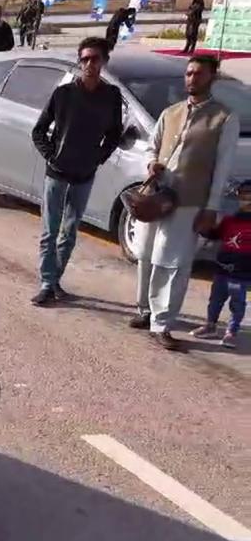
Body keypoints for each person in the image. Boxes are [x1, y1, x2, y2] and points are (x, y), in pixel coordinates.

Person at [131, 55, 241, 350]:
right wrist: (152, 163)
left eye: (199, 74)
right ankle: (145, 311)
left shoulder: (224, 118)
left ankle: (162, 323)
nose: (192, 79)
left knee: (172, 262)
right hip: (156, 198)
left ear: (212, 78)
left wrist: (211, 208)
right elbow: (151, 148)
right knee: (145, 255)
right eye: (189, 73)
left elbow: (222, 168)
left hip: (189, 202)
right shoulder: (171, 112)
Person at [29, 37, 122, 307]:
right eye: (85, 59)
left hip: (85, 175)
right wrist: (51, 156)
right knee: (50, 230)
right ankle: (46, 284)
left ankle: (55, 280)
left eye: (95, 58)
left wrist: (98, 158)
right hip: (57, 174)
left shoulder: (111, 96)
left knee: (69, 233)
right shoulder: (64, 94)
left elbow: (114, 134)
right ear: (79, 61)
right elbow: (38, 131)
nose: (89, 64)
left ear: (104, 61)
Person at [191, 184, 251, 348]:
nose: (245, 199)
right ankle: (210, 326)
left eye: (249, 195)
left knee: (237, 304)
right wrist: (204, 229)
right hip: (222, 269)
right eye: (242, 195)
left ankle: (231, 332)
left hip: (242, 273)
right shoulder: (230, 220)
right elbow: (216, 234)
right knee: (215, 300)